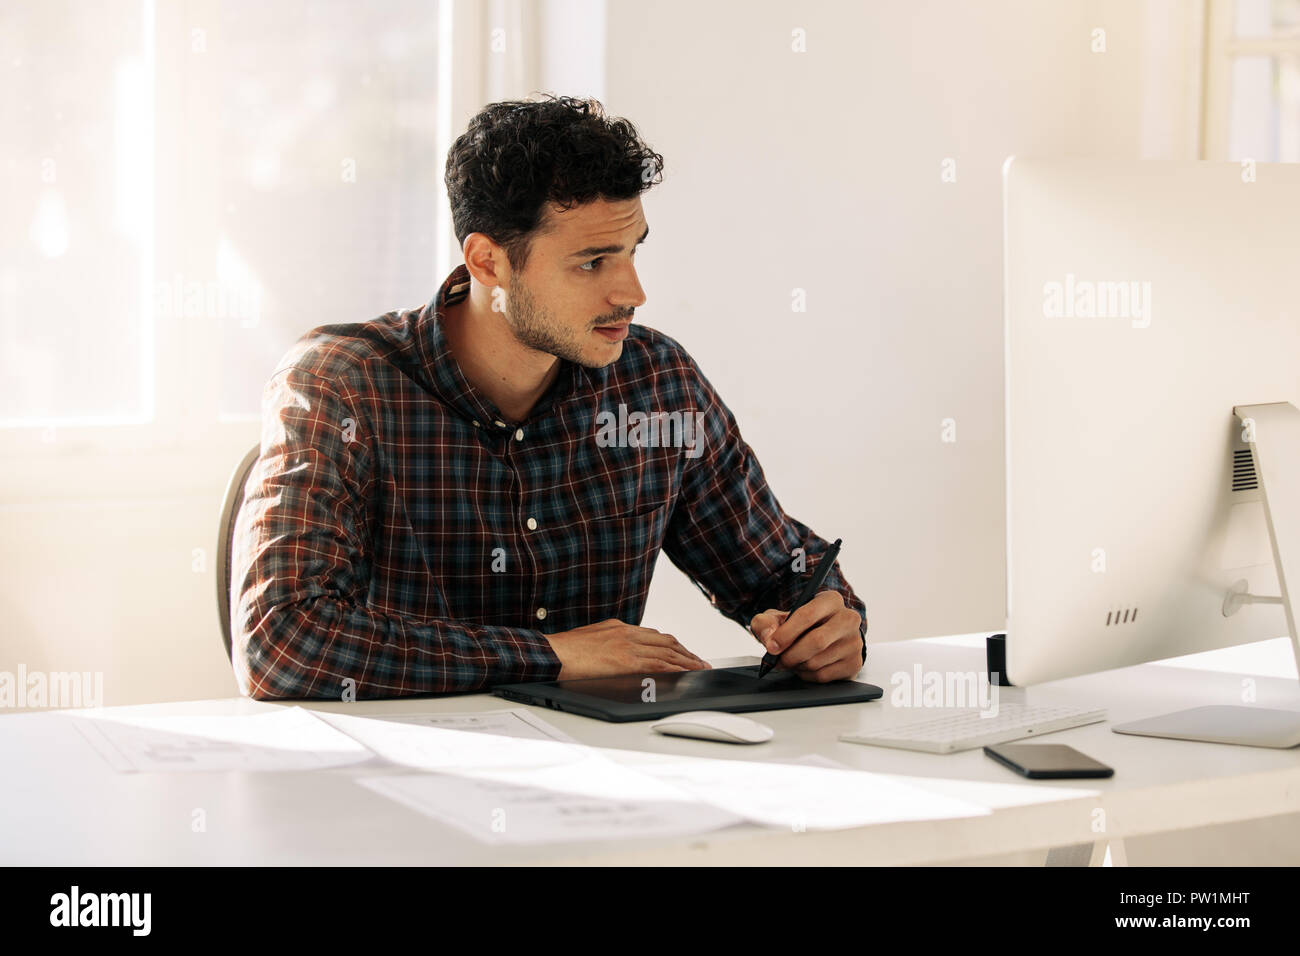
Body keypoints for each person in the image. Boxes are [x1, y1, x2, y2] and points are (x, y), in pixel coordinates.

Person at [231, 94, 867, 700]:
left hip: (610, 776)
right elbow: (282, 641)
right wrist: (554, 654)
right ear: (488, 262)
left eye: (631, 250)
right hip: (395, 783)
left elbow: (780, 571)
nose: (632, 291)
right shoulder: (342, 384)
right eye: (591, 263)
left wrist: (832, 624)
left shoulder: (656, 385)